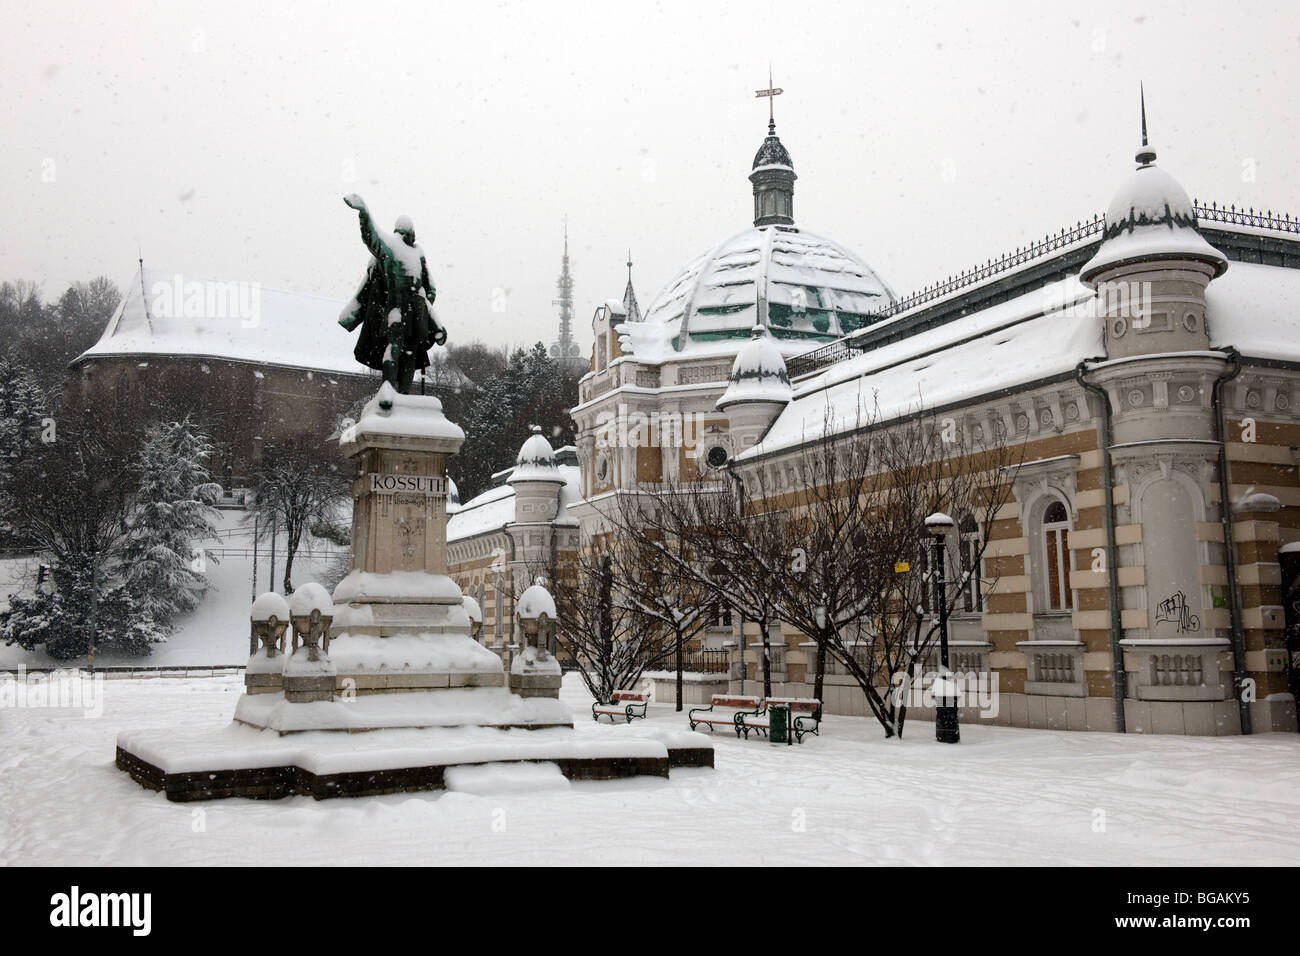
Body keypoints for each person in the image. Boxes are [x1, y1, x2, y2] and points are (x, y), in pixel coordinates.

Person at [338, 194, 446, 399]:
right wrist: (364, 213)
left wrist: (433, 320)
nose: (410, 236)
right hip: (396, 310)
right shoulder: (391, 247)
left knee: (410, 354)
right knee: (394, 348)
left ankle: (403, 396)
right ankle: (389, 392)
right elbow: (372, 237)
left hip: (416, 314)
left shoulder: (419, 255)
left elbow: (428, 290)